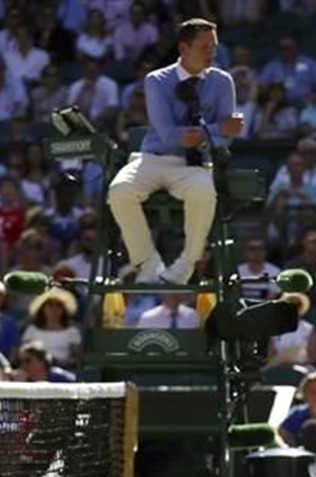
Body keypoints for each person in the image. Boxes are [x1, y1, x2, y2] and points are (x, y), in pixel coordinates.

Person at [107, 18, 244, 286]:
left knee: (204, 192)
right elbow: (169, 134)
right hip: (153, 159)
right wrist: (216, 130)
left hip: (194, 165)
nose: (211, 53)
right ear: (184, 48)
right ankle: (148, 262)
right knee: (119, 191)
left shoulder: (222, 81)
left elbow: (228, 139)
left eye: (213, 47)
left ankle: (186, 264)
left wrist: (207, 135)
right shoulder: (156, 80)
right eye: (204, 47)